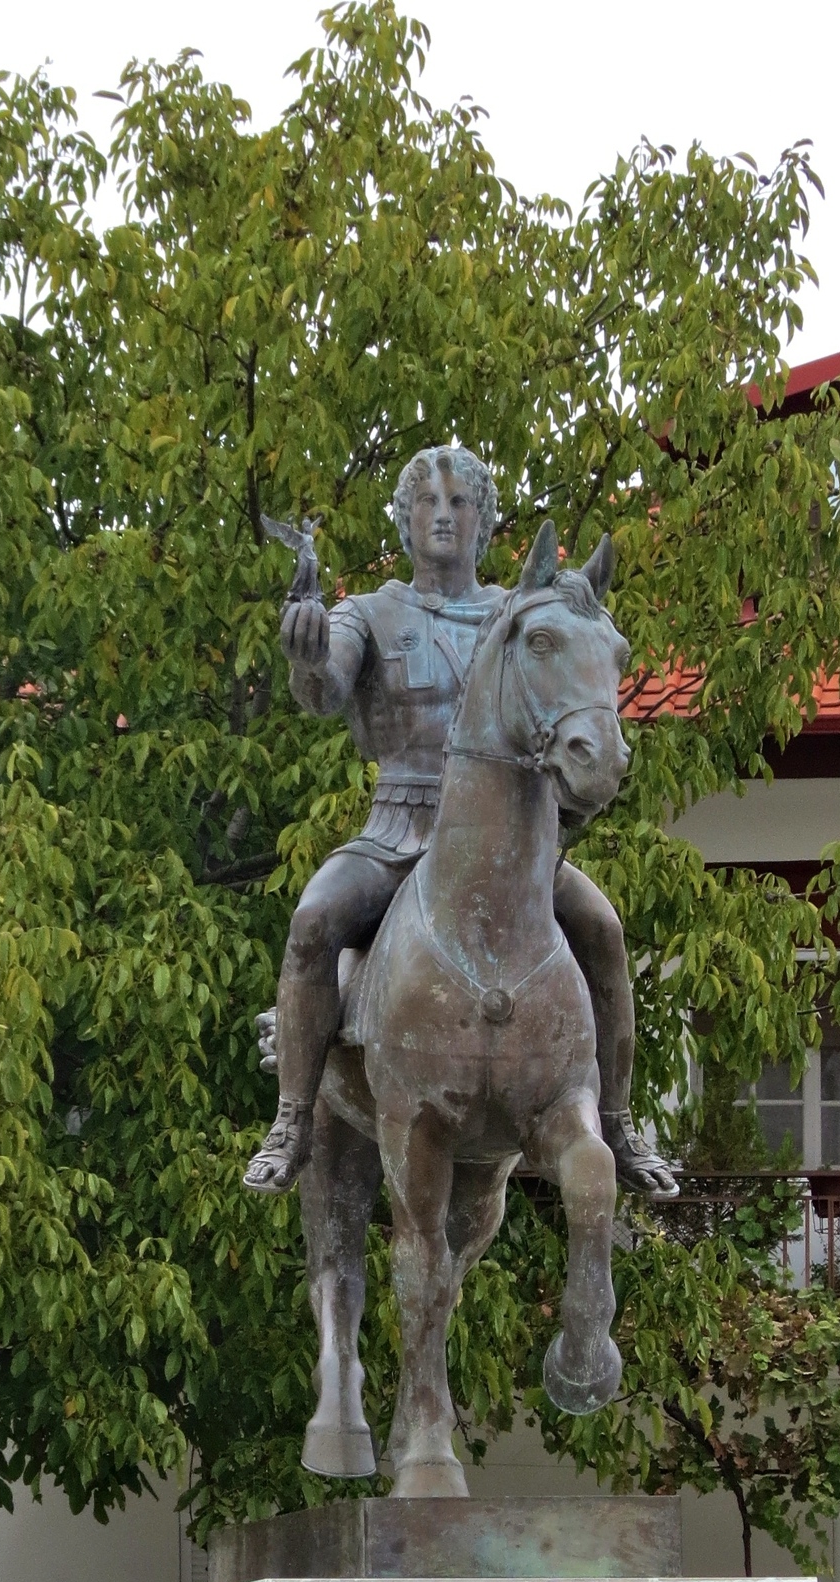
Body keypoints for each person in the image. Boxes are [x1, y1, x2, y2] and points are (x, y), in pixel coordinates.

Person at [244, 444, 678, 1199]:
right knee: (313, 919)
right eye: (427, 502)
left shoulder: (520, 614)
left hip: (507, 847)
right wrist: (307, 656)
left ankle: (616, 1119)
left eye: (460, 502)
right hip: (398, 827)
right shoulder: (370, 613)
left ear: (483, 522)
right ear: (406, 521)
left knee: (603, 930)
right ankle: (292, 1115)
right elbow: (323, 692)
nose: (443, 515)